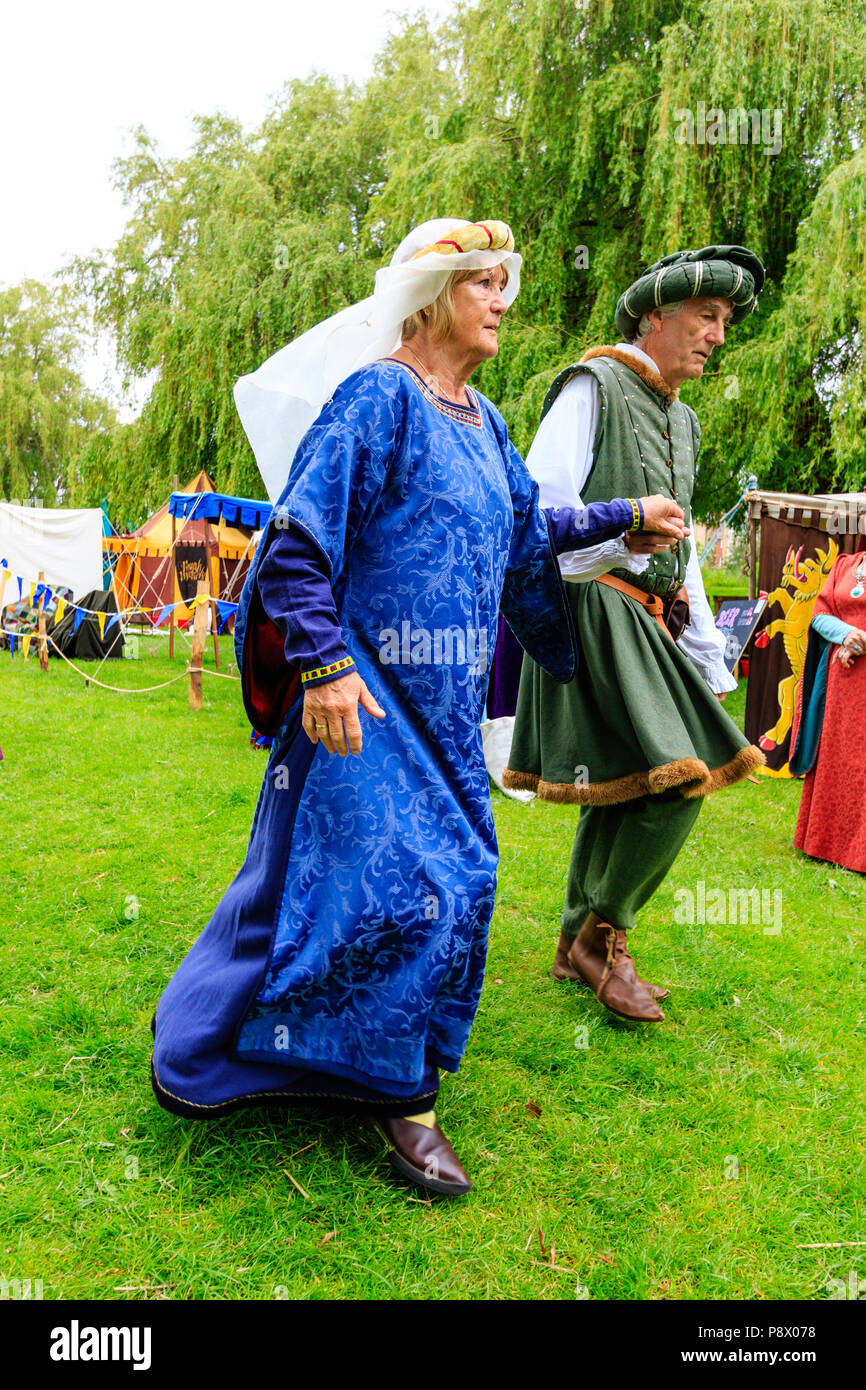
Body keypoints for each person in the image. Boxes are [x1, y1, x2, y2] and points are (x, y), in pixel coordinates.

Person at [151, 218, 685, 1196]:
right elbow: (300, 540)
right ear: (432, 294)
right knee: (371, 895)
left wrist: (623, 521)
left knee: (455, 884)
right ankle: (398, 1102)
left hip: (438, 720)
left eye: (502, 283)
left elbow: (532, 535)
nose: (498, 300)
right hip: (356, 710)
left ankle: (375, 1070)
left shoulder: (483, 427)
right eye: (480, 281)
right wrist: (321, 669)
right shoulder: (376, 399)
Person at [504, 246, 767, 1023]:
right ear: (654, 317)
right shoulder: (594, 386)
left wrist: (707, 654)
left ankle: (573, 943)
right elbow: (535, 517)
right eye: (706, 316)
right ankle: (601, 937)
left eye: (725, 322)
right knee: (683, 777)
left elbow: (680, 546)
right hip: (591, 605)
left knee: (618, 784)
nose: (718, 335)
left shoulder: (683, 422)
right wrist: (622, 539)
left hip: (651, 618)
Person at [790, 549, 866, 872]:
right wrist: (845, 635)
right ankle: (827, 844)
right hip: (840, 681)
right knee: (838, 759)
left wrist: (861, 641)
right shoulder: (846, 564)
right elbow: (820, 614)